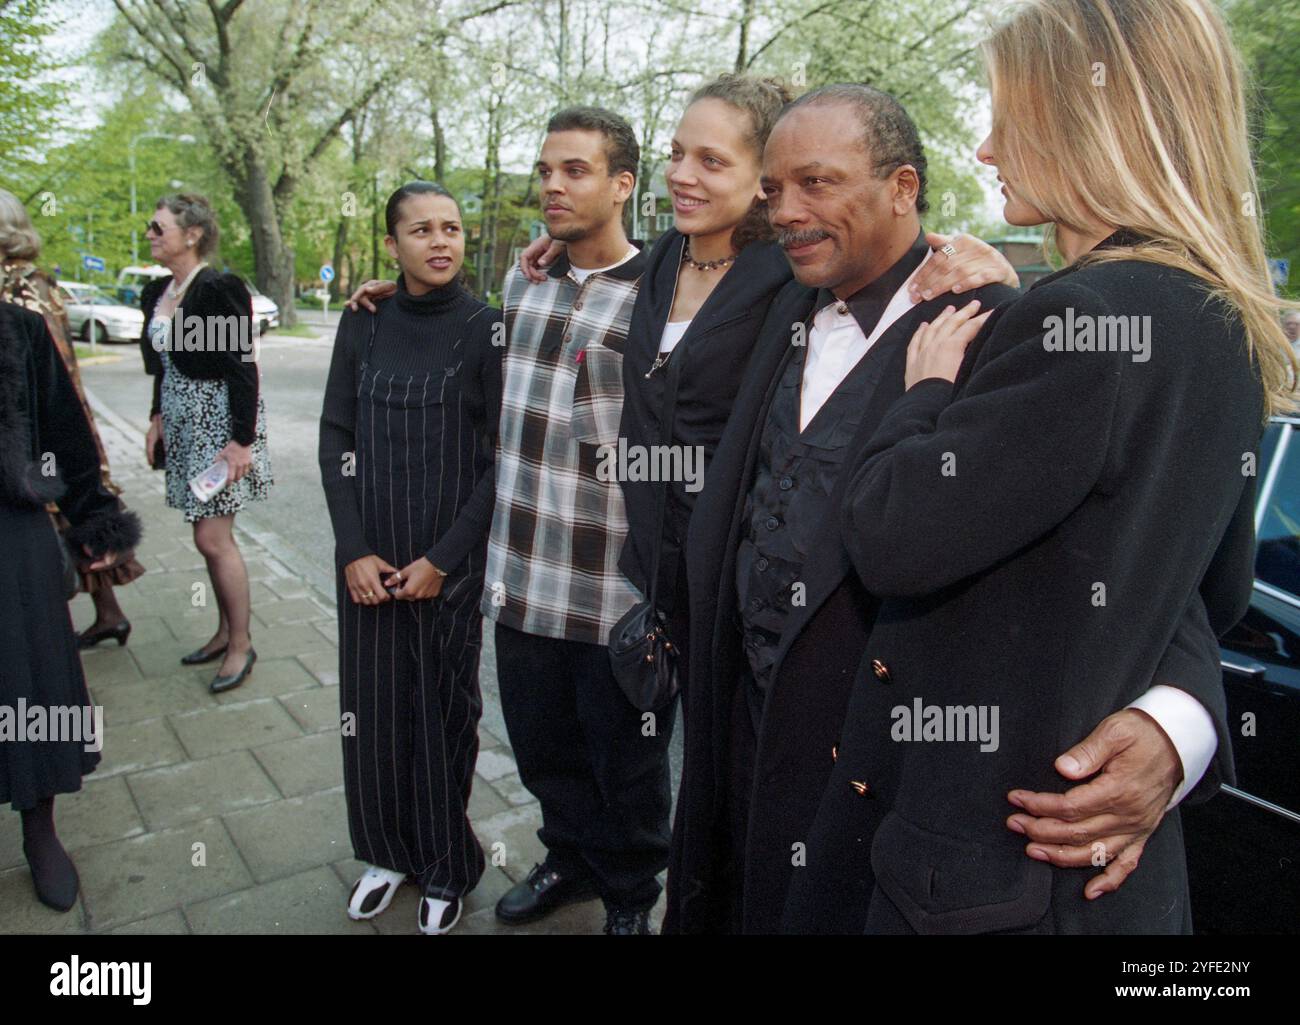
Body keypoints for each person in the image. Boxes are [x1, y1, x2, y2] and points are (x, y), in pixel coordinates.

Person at [786, 0, 1291, 934]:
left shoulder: (1074, 320)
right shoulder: (1227, 323)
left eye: (1009, 119)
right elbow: (1211, 588)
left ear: (1090, 120)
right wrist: (1182, 720)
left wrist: (923, 392)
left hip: (986, 872)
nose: (986, 149)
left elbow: (890, 535)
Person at [517, 77, 1012, 684]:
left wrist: (985, 270)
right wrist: (562, 240)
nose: (788, 210)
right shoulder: (673, 261)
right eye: (676, 154)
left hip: (847, 668)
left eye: (712, 160)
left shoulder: (796, 277)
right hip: (681, 602)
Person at [352, 108, 671, 935]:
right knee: (544, 749)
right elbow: (461, 342)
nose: (552, 186)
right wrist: (396, 299)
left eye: (575, 170)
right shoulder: (524, 282)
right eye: (545, 170)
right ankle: (568, 858)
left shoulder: (665, 291)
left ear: (623, 185)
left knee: (628, 762)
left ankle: (630, 894)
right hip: (522, 575)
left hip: (615, 587)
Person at [319, 182, 503, 935]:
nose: (440, 241)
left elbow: (500, 460)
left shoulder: (486, 329)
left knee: (442, 715)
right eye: (421, 230)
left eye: (451, 228)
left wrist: (444, 560)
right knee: (371, 714)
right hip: (368, 561)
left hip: (444, 567)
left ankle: (446, 865)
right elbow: (336, 437)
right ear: (392, 244)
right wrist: (353, 550)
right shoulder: (363, 320)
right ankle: (384, 853)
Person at [0, 300, 142, 911]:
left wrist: (97, 522)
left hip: (11, 531)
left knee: (29, 684)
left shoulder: (20, 328)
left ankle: (39, 829)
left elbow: (65, 434)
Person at [138, 193, 272, 693]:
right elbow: (163, 366)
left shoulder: (216, 288)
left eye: (159, 227)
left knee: (213, 539)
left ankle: (241, 644)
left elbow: (243, 366)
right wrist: (156, 417)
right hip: (181, 423)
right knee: (204, 537)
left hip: (219, 425)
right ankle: (223, 633)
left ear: (192, 234)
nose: (150, 234)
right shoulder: (158, 291)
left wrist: (241, 442)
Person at [0, 188, 146, 645]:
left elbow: (50, 381)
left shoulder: (26, 289)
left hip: (35, 443)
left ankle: (103, 615)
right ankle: (107, 615)